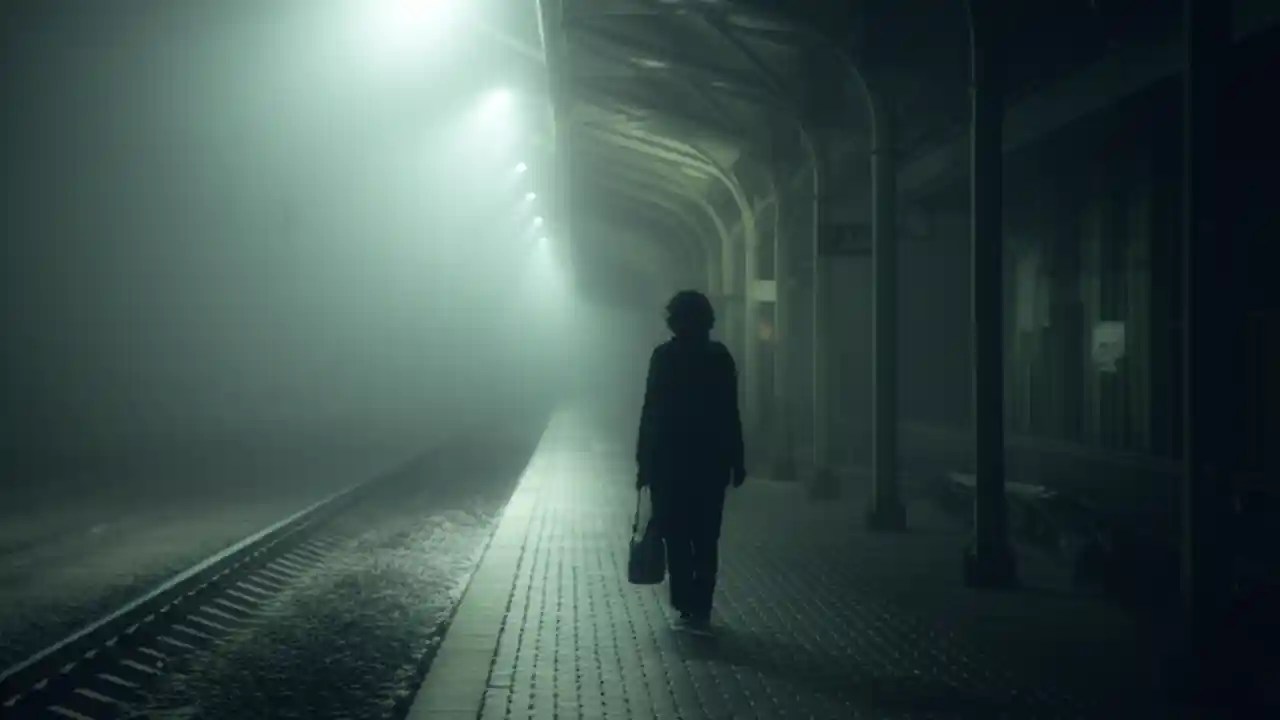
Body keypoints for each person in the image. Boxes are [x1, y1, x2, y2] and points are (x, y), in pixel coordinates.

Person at [636, 290, 746, 630]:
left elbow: (651, 413)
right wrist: (737, 459)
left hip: (669, 464)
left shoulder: (664, 358)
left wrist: (644, 463)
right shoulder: (720, 358)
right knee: (706, 535)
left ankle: (685, 600)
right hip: (710, 464)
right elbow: (730, 413)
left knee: (676, 534)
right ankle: (702, 601)